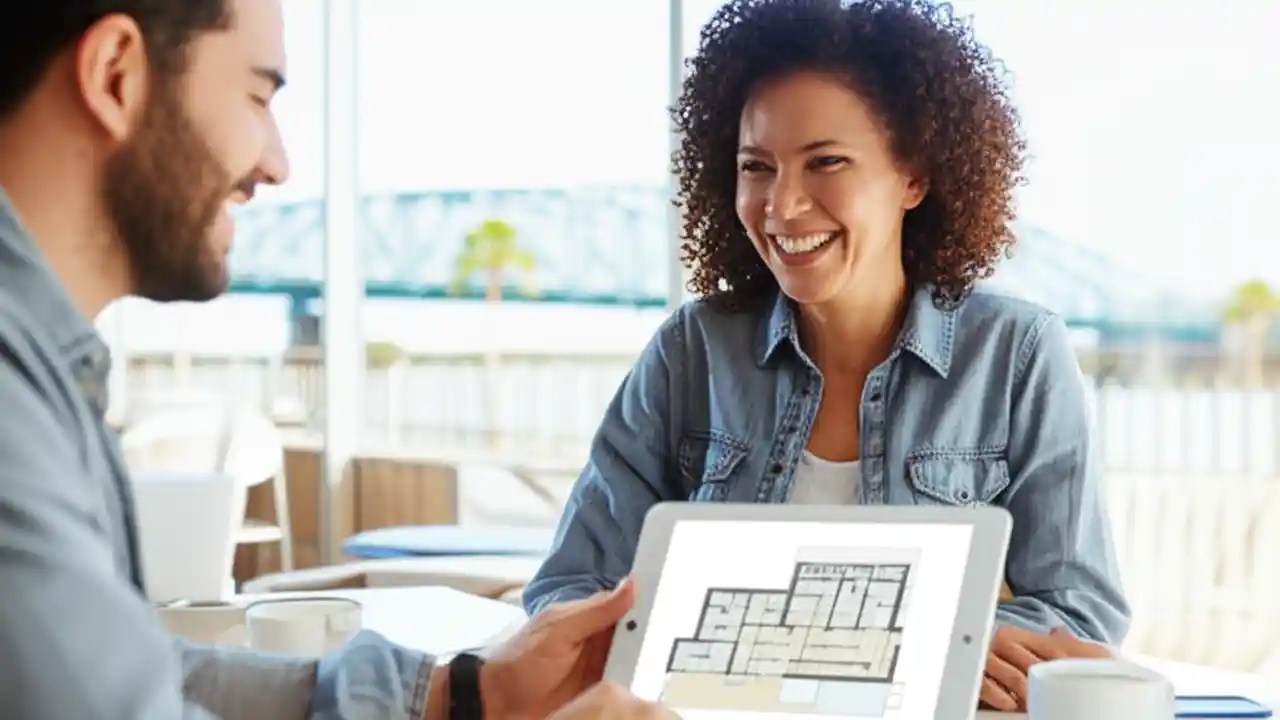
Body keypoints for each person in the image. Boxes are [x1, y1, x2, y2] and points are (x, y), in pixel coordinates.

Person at [0, 1, 673, 718]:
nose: (277, 163)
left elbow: (136, 670)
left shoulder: (37, 371)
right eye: (258, 95)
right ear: (114, 76)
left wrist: (463, 695)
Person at [524, 0, 1129, 711]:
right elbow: (566, 596)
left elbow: (1079, 618)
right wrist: (932, 643)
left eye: (827, 163)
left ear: (913, 177)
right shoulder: (690, 353)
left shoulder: (1018, 355)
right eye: (757, 166)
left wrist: (741, 640)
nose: (783, 206)